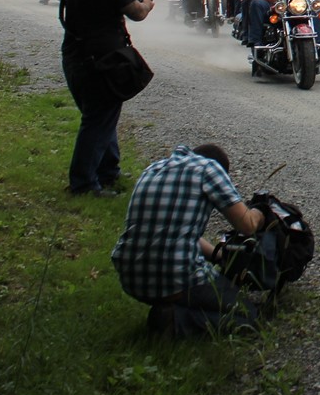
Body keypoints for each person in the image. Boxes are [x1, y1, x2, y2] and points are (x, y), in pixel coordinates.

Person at [111, 143, 266, 337]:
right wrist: (260, 213)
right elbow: (247, 225)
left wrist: (218, 256)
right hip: (175, 277)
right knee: (248, 315)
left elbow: (175, 230)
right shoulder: (210, 169)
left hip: (131, 277)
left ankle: (170, 308)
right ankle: (175, 321)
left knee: (220, 295)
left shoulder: (154, 168)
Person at [59, 0, 156, 197]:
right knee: (97, 121)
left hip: (74, 55)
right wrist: (146, 4)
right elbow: (135, 13)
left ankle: (108, 171)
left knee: (103, 118)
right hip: (99, 60)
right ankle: (83, 184)